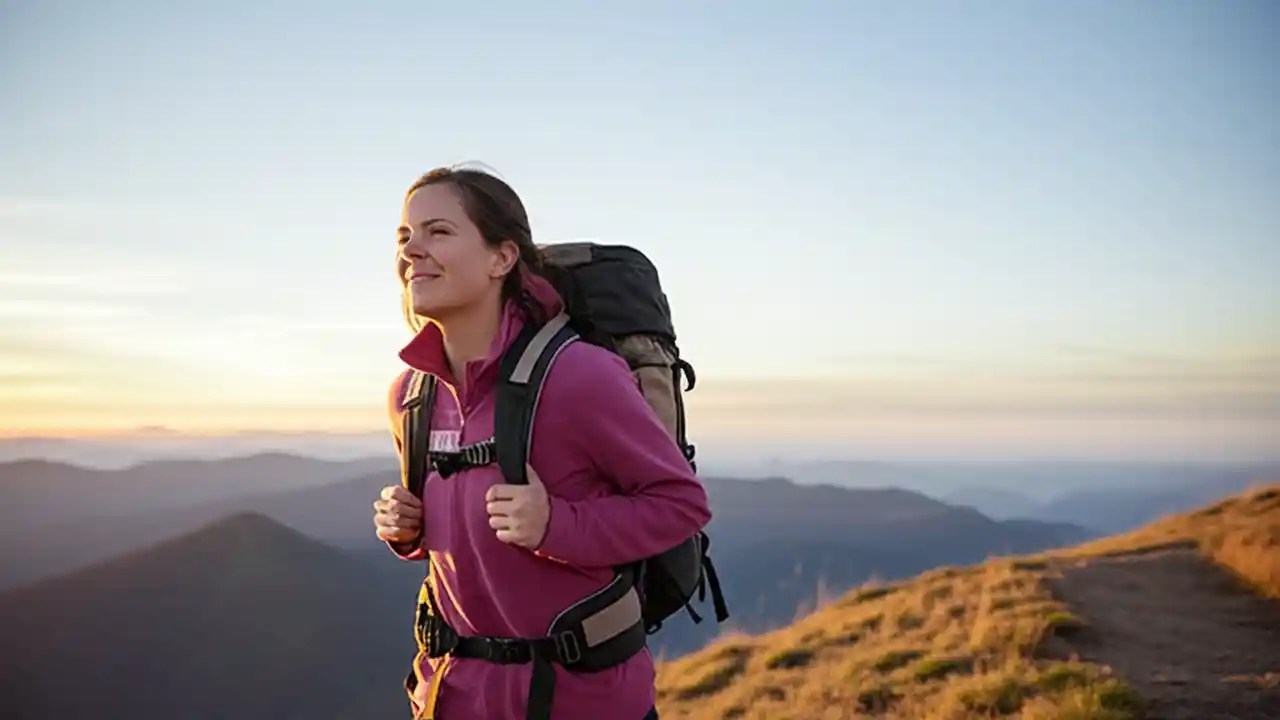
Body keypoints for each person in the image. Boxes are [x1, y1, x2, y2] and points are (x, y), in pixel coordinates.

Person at [372, 164, 712, 720]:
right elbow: (465, 549)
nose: (412, 250)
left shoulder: (581, 376)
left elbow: (682, 505)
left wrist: (555, 526)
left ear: (501, 259)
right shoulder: (410, 394)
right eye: (404, 237)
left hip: (580, 704)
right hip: (448, 699)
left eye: (438, 231)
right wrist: (409, 529)